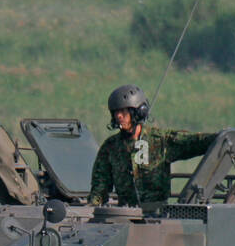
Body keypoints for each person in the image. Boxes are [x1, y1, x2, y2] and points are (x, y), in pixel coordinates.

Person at [87, 84, 216, 208]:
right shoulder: (111, 147)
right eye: (115, 112)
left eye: (123, 111)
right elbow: (100, 186)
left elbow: (194, 141)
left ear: (137, 111)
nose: (119, 116)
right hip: (126, 215)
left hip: (157, 215)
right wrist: (91, 208)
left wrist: (221, 137)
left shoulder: (159, 140)